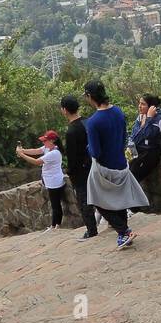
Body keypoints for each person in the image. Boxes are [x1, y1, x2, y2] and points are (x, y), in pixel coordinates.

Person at [82, 80, 148, 249]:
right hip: (121, 163)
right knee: (120, 199)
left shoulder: (93, 122)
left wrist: (88, 147)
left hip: (104, 168)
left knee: (96, 200)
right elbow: (124, 138)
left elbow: (95, 152)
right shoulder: (118, 111)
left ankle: (124, 231)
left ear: (89, 96)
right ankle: (123, 233)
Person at [61, 95, 99, 240]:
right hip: (96, 164)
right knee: (101, 196)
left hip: (81, 172)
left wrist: (70, 172)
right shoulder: (88, 121)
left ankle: (91, 230)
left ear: (65, 110)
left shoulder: (71, 131)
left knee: (84, 202)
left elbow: (72, 157)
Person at [16, 131, 66, 231]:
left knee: (55, 205)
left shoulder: (55, 153)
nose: (44, 142)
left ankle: (56, 225)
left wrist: (22, 155)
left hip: (55, 182)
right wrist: (23, 150)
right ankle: (55, 225)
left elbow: (37, 161)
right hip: (51, 181)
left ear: (52, 141)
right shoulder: (48, 148)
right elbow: (36, 151)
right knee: (55, 204)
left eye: (45, 140)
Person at [129, 94, 161, 206]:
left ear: (151, 107)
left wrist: (149, 119)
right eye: (139, 103)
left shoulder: (160, 118)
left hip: (152, 152)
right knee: (127, 174)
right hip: (139, 151)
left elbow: (149, 134)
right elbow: (134, 136)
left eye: (143, 104)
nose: (139, 106)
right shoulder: (140, 116)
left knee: (134, 176)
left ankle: (134, 206)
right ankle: (132, 206)